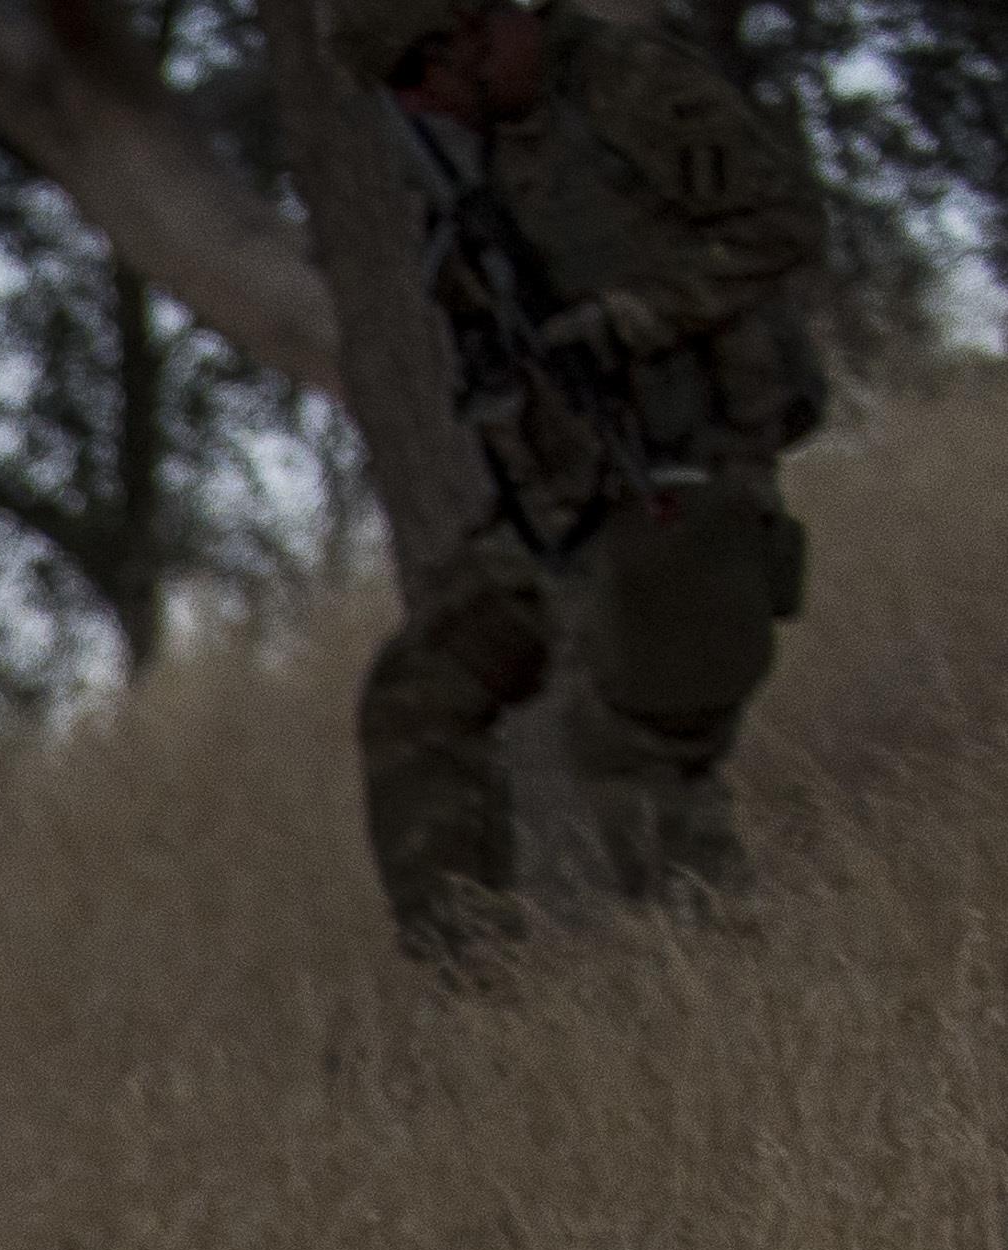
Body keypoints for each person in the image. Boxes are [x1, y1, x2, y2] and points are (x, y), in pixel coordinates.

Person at [344, 0, 827, 954]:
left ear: (467, 34)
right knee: (418, 693)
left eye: (417, 78)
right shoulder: (469, 156)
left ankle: (732, 1000)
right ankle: (474, 999)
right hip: (563, 508)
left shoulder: (624, 82)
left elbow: (782, 224)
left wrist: (636, 317)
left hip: (686, 476)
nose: (420, 107)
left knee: (633, 749)